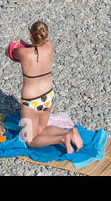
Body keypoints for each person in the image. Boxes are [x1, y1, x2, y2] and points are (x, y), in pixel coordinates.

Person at [8, 22, 83, 152]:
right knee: (42, 130)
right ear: (45, 35)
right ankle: (70, 132)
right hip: (48, 95)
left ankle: (63, 138)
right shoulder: (49, 45)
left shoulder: (23, 53)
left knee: (30, 140)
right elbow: (38, 45)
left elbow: (10, 53)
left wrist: (17, 43)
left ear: (30, 36)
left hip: (31, 100)